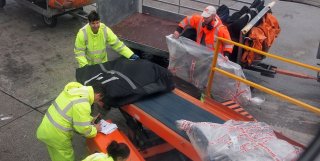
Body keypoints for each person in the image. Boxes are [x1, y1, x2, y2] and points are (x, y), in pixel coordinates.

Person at [36, 81, 106, 161]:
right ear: (98, 95)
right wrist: (95, 129)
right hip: (58, 135)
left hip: (46, 127)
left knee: (56, 155)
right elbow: (84, 130)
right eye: (99, 100)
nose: (96, 102)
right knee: (66, 158)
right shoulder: (83, 103)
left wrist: (90, 119)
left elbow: (71, 112)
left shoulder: (75, 90)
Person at [74, 10, 139, 68]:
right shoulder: (82, 33)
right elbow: (79, 52)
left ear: (99, 21)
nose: (96, 26)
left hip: (103, 64)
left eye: (97, 22)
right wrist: (85, 67)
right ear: (89, 22)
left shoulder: (104, 29)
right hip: (89, 65)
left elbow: (117, 44)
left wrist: (130, 54)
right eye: (93, 23)